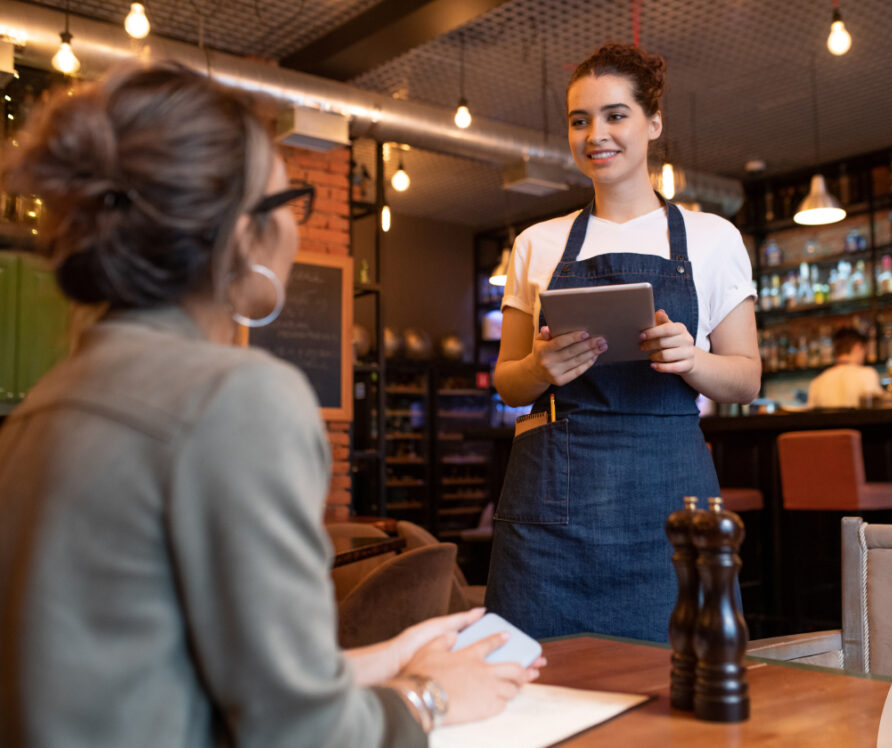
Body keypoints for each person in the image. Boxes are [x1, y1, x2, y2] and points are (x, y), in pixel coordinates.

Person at [0, 62, 541, 748]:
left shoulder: (41, 408)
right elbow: (298, 732)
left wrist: (394, 655)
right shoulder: (239, 397)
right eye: (287, 198)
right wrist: (431, 697)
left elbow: (169, 672)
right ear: (241, 232)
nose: (292, 224)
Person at [486, 43, 761, 642]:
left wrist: (693, 360)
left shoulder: (713, 238)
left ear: (652, 124)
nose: (596, 135)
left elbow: (745, 378)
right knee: (539, 687)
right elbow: (507, 382)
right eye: (580, 120)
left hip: (669, 500)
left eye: (615, 116)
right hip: (552, 509)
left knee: (679, 678)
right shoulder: (537, 242)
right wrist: (539, 365)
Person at [807, 327, 887, 408]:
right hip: (860, 421)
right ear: (857, 347)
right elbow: (879, 410)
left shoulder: (816, 383)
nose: (864, 356)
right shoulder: (867, 375)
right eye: (864, 351)